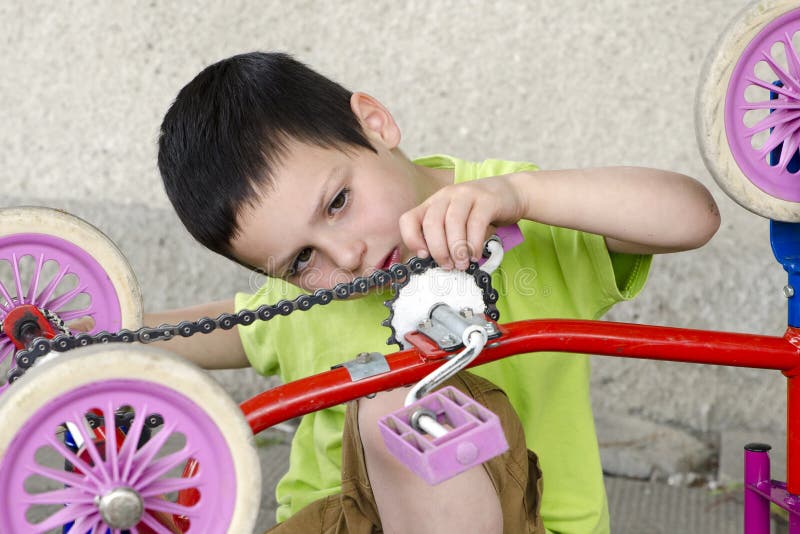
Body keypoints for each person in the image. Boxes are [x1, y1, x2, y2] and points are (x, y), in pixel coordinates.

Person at [149, 51, 720, 533]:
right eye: (301, 259)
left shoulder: (514, 212)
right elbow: (233, 327)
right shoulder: (314, 296)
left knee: (400, 405)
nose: (346, 256)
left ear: (375, 124)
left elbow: (693, 216)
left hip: (515, 516)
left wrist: (522, 194)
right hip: (335, 519)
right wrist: (106, 337)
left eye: (338, 203)